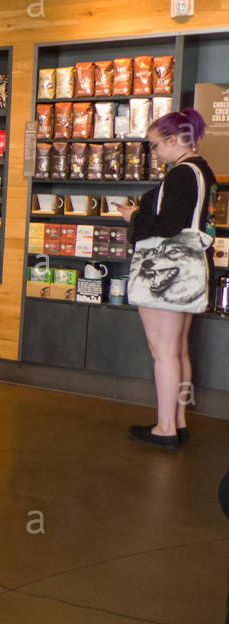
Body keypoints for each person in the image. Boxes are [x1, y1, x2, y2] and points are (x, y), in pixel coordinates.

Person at [116, 109, 217, 449]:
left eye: (156, 145)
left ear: (173, 140)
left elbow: (167, 226)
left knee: (163, 352)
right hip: (191, 271)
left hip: (167, 272)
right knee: (178, 350)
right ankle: (178, 421)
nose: (154, 153)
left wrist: (135, 217)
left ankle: (165, 428)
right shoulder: (202, 171)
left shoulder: (181, 174)